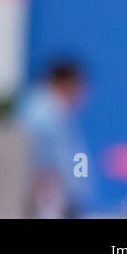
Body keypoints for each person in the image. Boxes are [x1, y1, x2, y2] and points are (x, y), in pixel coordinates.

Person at [16, 59, 90, 218]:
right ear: (68, 83)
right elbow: (46, 163)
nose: (82, 94)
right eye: (80, 87)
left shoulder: (49, 110)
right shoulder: (45, 114)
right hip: (47, 200)